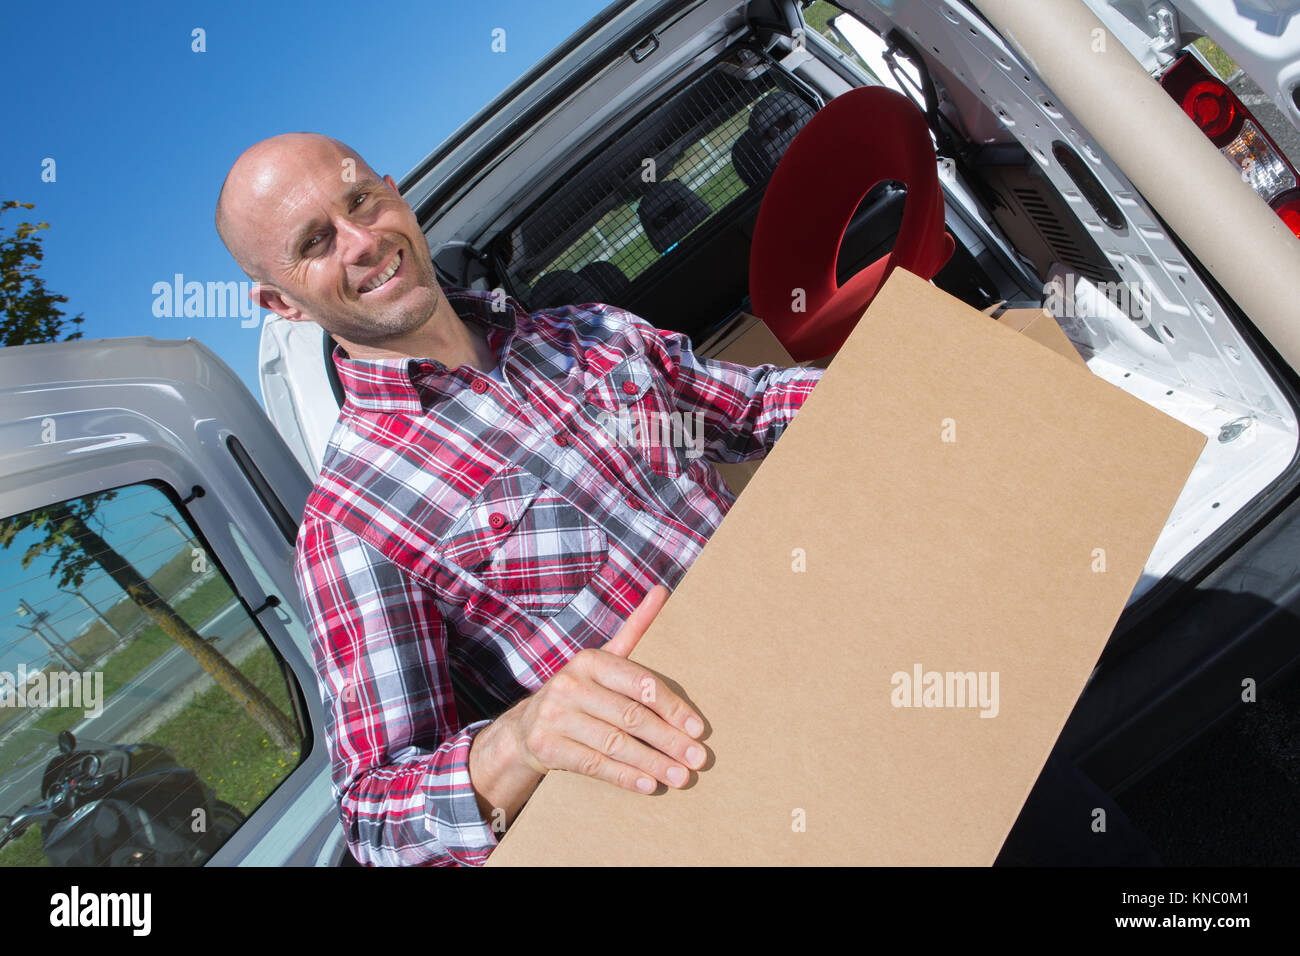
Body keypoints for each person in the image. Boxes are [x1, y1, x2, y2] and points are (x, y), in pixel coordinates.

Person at [214, 132, 824, 865]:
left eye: (361, 203)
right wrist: (522, 737)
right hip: (731, 785)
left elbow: (754, 407)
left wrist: (910, 380)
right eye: (317, 241)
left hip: (835, 636)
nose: (362, 242)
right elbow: (375, 816)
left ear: (394, 191)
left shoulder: (589, 332)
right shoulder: (350, 522)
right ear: (281, 301)